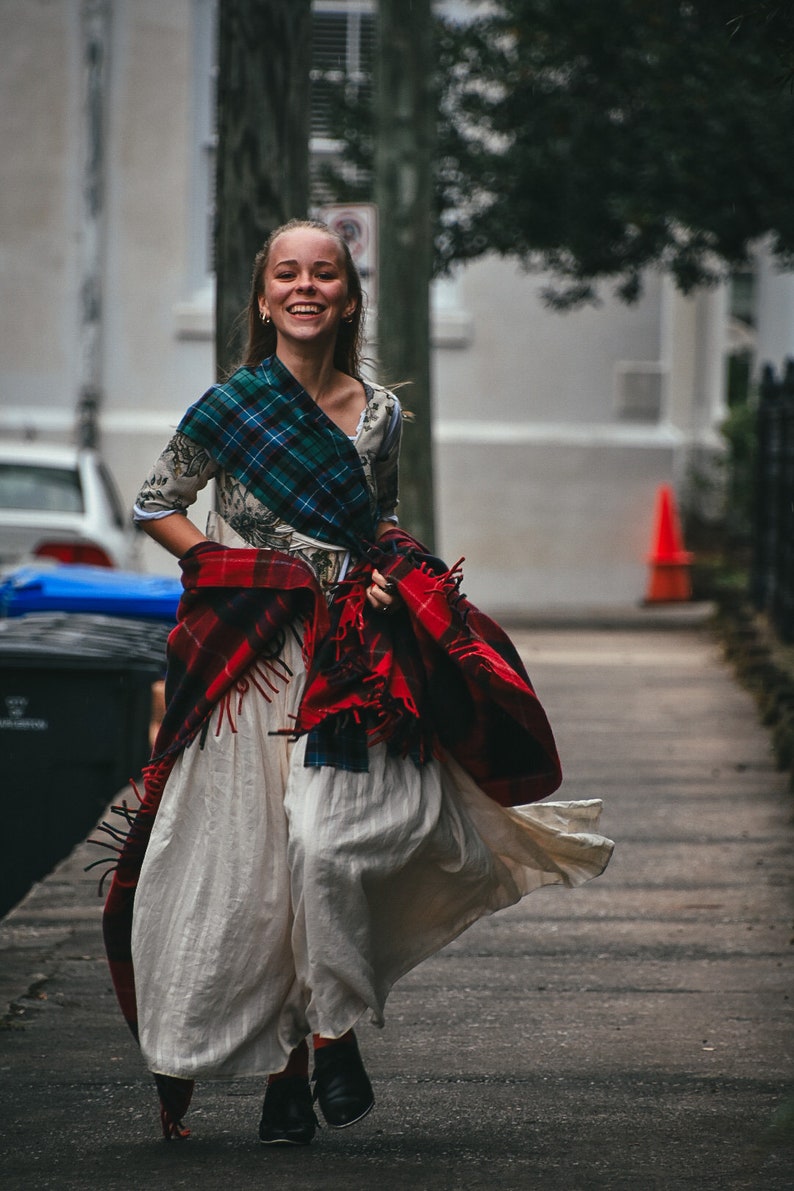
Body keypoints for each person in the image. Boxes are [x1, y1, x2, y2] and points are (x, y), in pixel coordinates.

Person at [99, 218, 613, 1147]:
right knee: (267, 877)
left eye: (324, 273)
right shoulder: (228, 407)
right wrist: (230, 568)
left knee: (327, 849)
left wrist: (385, 576)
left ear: (347, 295)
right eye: (287, 274)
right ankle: (292, 1072)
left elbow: (384, 521)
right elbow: (155, 504)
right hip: (252, 665)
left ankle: (332, 1025)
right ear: (263, 298)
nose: (305, 287)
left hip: (354, 663)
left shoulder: (381, 414)